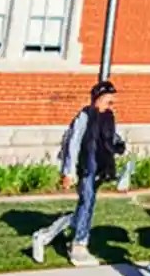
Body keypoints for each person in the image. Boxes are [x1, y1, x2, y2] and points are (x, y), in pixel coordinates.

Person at [32, 81, 127, 266]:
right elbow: (73, 144)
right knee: (86, 204)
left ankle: (44, 236)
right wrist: (68, 171)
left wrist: (119, 144)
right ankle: (78, 246)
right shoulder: (84, 117)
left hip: (100, 168)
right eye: (109, 100)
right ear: (98, 98)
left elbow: (109, 136)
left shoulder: (108, 117)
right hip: (86, 167)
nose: (111, 104)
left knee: (85, 208)